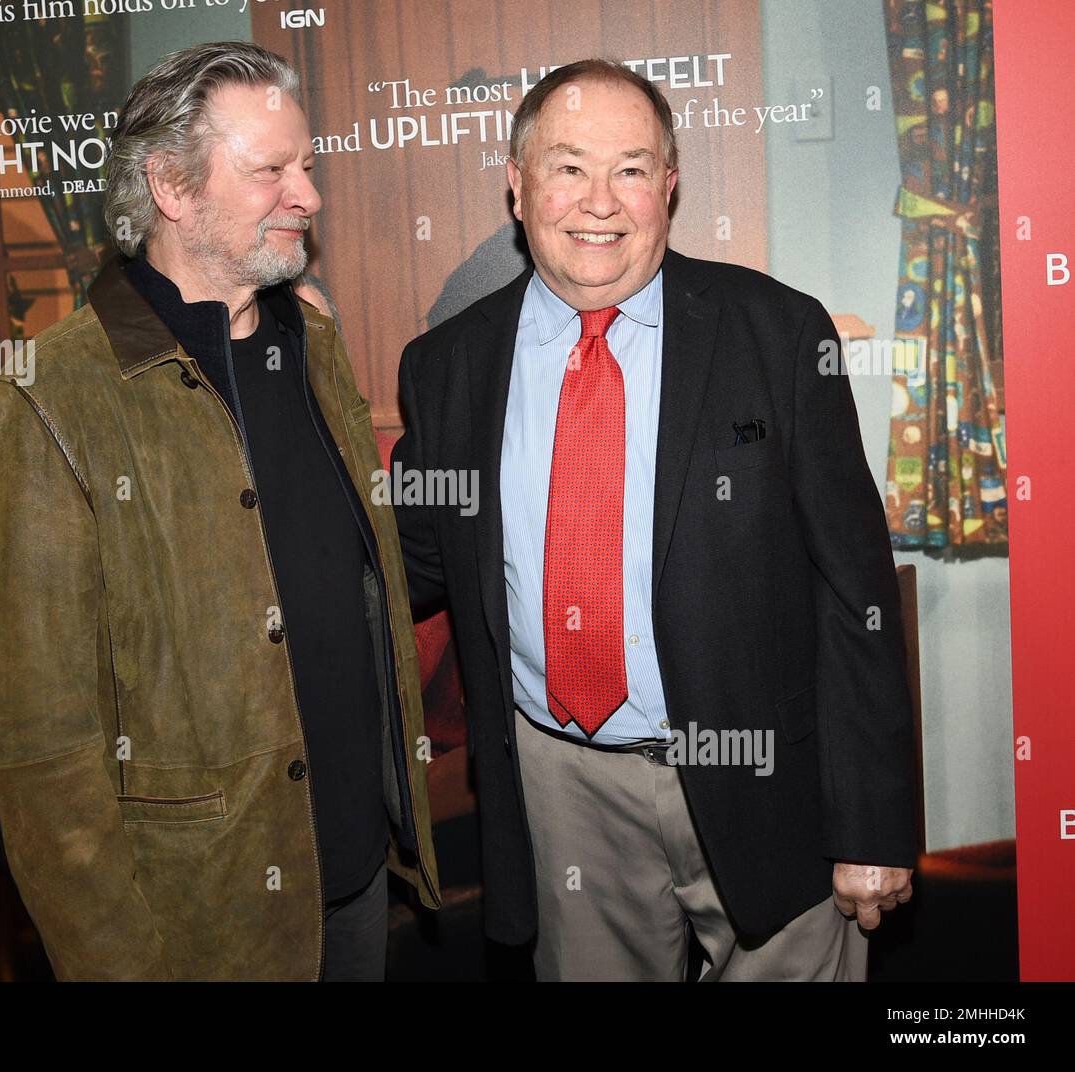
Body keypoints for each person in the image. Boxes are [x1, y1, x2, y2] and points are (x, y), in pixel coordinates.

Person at [391, 58, 915, 981]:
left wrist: (872, 823)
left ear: (669, 187)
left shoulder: (778, 335)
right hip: (563, 788)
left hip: (765, 778)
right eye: (567, 167)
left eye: (631, 168)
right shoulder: (446, 368)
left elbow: (855, 589)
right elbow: (414, 565)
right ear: (516, 186)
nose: (600, 201)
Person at [0, 41, 439, 982]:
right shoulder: (48, 400)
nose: (307, 194)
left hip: (353, 887)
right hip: (204, 931)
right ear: (170, 187)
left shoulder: (312, 340)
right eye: (270, 170)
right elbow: (43, 756)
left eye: (307, 165)